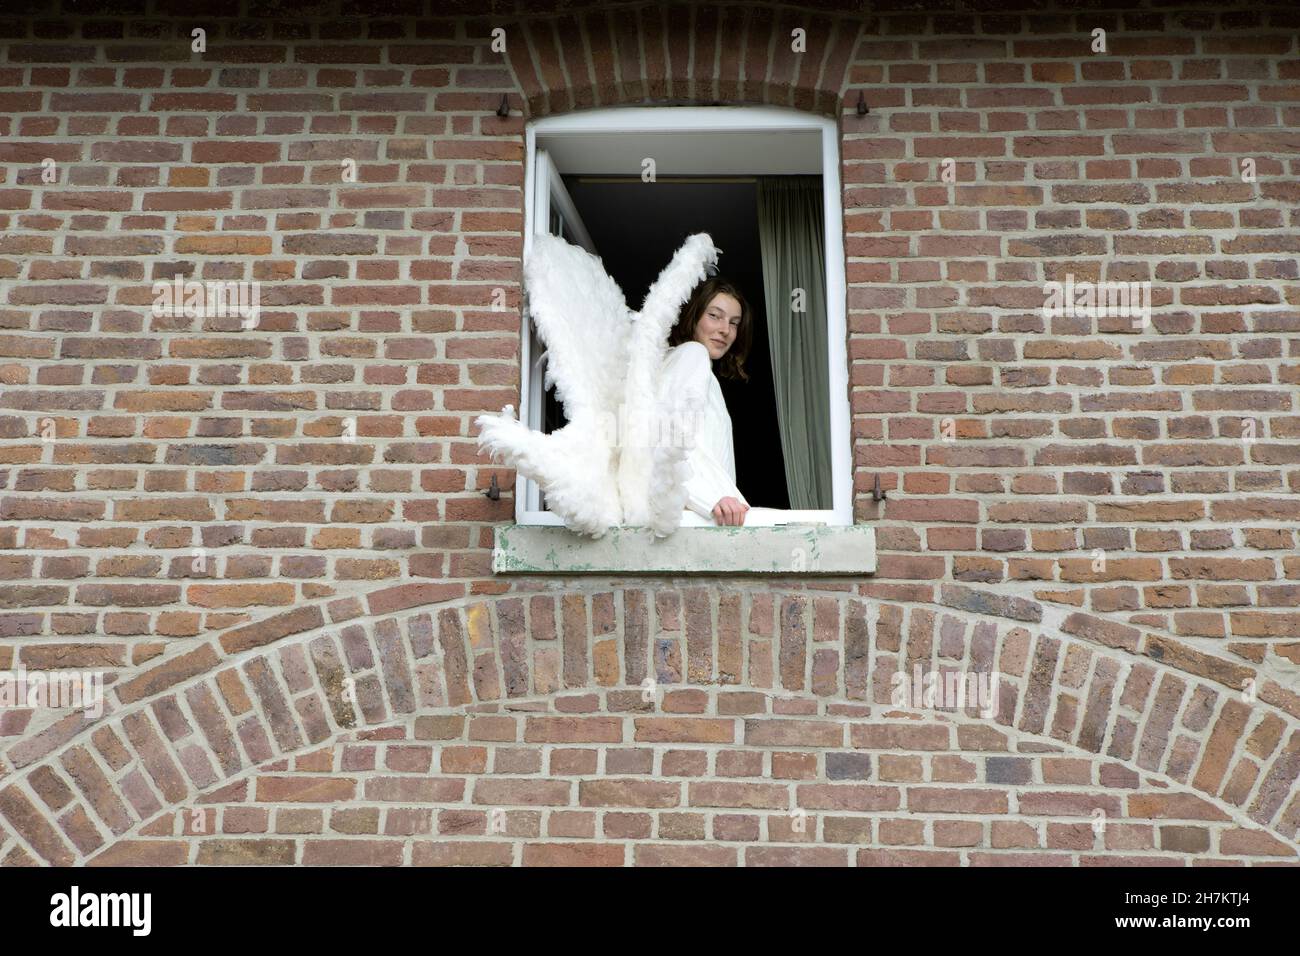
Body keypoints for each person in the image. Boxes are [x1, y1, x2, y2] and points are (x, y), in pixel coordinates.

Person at [660, 277, 753, 526]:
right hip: (697, 518)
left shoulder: (695, 367)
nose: (726, 330)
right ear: (693, 316)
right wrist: (711, 499)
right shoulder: (692, 355)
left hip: (704, 518)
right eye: (715, 315)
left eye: (734, 323)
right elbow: (666, 439)